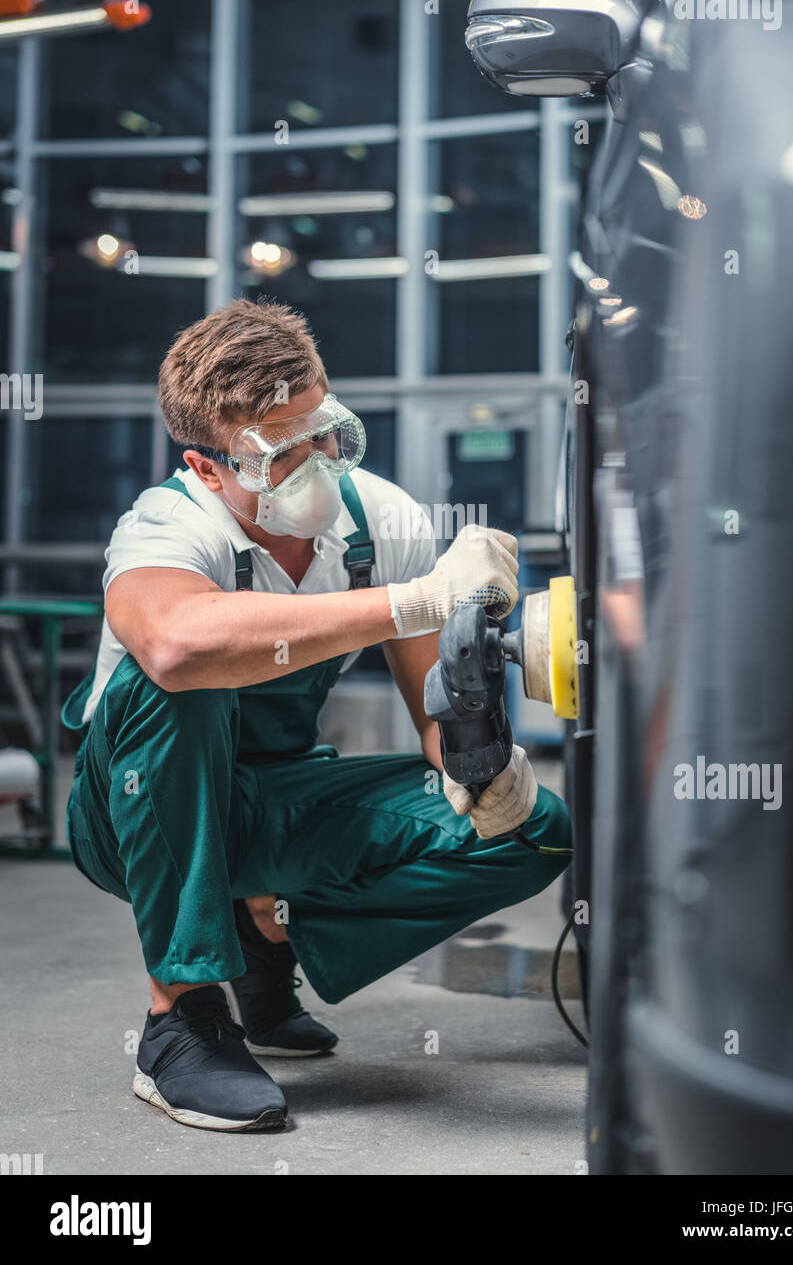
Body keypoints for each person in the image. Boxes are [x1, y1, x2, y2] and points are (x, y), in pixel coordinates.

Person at [62, 298, 572, 1132]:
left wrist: (478, 768)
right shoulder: (167, 525)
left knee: (536, 831)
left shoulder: (380, 519)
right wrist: (414, 599)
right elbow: (174, 646)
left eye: (324, 429)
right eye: (278, 451)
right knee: (175, 684)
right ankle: (179, 1022)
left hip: (274, 797)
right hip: (134, 818)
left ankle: (268, 932)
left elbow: (430, 712)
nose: (316, 462)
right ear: (207, 466)